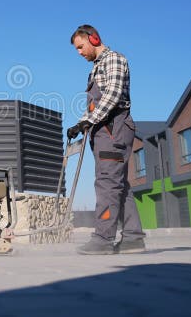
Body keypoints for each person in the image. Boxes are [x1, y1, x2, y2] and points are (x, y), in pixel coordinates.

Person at [67, 24, 146, 255]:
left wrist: (89, 121)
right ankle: (133, 238)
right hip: (103, 129)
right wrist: (80, 123)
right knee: (118, 185)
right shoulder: (95, 68)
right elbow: (95, 104)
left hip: (114, 127)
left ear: (94, 39)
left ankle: (102, 239)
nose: (80, 53)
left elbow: (112, 95)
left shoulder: (114, 59)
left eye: (81, 47)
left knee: (107, 184)